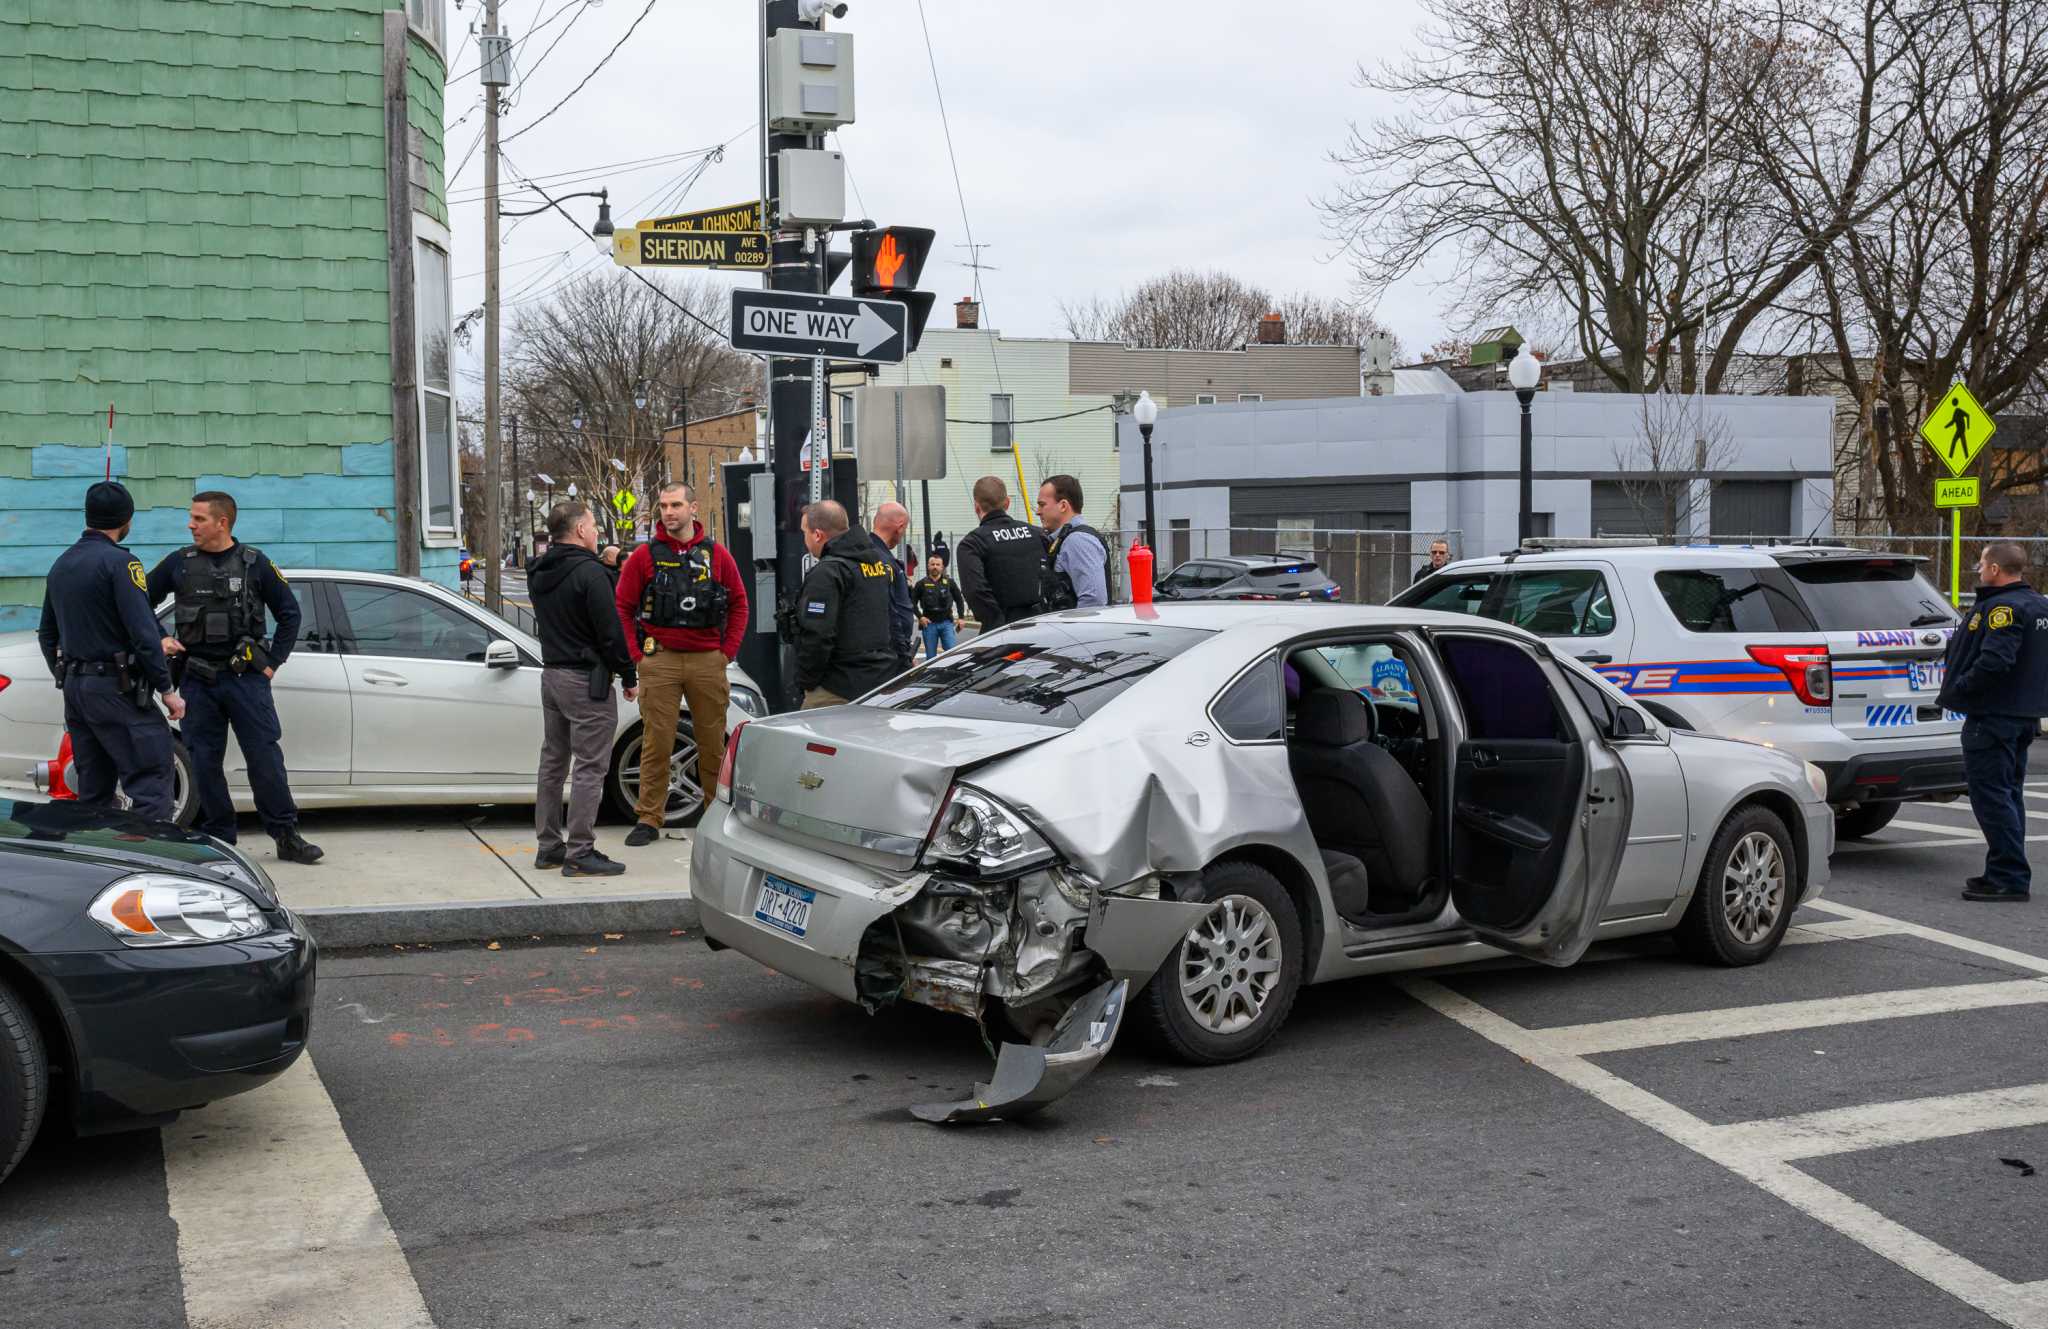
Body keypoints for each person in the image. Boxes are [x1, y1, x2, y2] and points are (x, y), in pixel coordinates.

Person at [145, 491, 322, 863]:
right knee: (204, 761)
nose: (190, 525)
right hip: (196, 679)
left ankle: (286, 835)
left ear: (221, 523)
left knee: (265, 758)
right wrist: (159, 637)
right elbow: (138, 602)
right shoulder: (179, 563)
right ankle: (220, 838)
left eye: (198, 519)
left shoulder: (255, 564)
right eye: (191, 518)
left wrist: (273, 662)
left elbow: (290, 613)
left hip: (246, 679)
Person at [36, 481, 185, 821]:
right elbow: (143, 631)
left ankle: (98, 865)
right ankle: (151, 865)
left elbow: (47, 634)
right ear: (125, 520)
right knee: (150, 778)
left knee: (94, 791)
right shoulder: (122, 564)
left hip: (76, 691)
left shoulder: (61, 564)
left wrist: (67, 676)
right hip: (116, 689)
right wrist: (167, 690)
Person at [613, 482, 749, 845]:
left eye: (675, 505)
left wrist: (727, 652)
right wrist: (638, 656)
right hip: (661, 660)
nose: (668, 512)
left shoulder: (717, 556)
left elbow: (739, 604)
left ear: (693, 508)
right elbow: (623, 608)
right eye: (663, 506)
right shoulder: (645, 556)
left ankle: (715, 815)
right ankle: (649, 818)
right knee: (657, 741)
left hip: (708, 660)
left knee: (712, 743)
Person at [530, 501, 639, 877]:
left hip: (553, 675)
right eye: (592, 525)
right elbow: (609, 631)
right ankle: (580, 851)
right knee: (591, 766)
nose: (596, 532)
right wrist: (628, 675)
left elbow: (572, 603)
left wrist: (604, 568)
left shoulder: (540, 570)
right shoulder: (590, 575)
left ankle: (548, 846)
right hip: (586, 680)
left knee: (553, 762)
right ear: (579, 530)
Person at [1937, 542, 2048, 902]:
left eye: (1982, 564)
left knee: (1991, 798)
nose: (1979, 569)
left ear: (1996, 569)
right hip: (2022, 715)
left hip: (1993, 715)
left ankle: (2010, 877)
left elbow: (1995, 660)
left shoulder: (2003, 608)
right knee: (2008, 795)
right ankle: (2002, 870)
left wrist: (1964, 688)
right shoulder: (2038, 604)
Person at [794, 501, 898, 709]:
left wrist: (806, 681)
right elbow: (894, 618)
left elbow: (818, 635)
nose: (804, 539)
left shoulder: (827, 572)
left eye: (804, 532)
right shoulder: (876, 563)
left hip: (837, 688)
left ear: (817, 535)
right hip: (879, 681)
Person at [955, 476, 1050, 630]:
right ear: (1007, 503)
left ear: (976, 506)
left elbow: (975, 591)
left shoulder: (972, 543)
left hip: (1002, 631)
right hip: (1041, 625)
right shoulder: (1037, 534)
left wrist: (997, 624)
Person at [1034, 474, 1111, 608]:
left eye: (1042, 505)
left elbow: (1093, 602)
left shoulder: (1078, 541)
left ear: (1063, 506)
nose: (1038, 512)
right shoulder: (1065, 539)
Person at [871, 500, 917, 671]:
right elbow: (891, 612)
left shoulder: (872, 553)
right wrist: (904, 656)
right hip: (890, 655)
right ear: (900, 527)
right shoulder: (882, 561)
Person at [916, 555, 967, 659]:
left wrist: (961, 618)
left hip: (946, 623)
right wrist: (920, 617)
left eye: (938, 564)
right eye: (932, 564)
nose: (935, 567)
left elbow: (959, 599)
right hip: (929, 625)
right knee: (931, 658)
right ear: (928, 566)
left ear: (942, 567)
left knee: (951, 654)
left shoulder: (949, 582)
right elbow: (911, 602)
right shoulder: (921, 584)